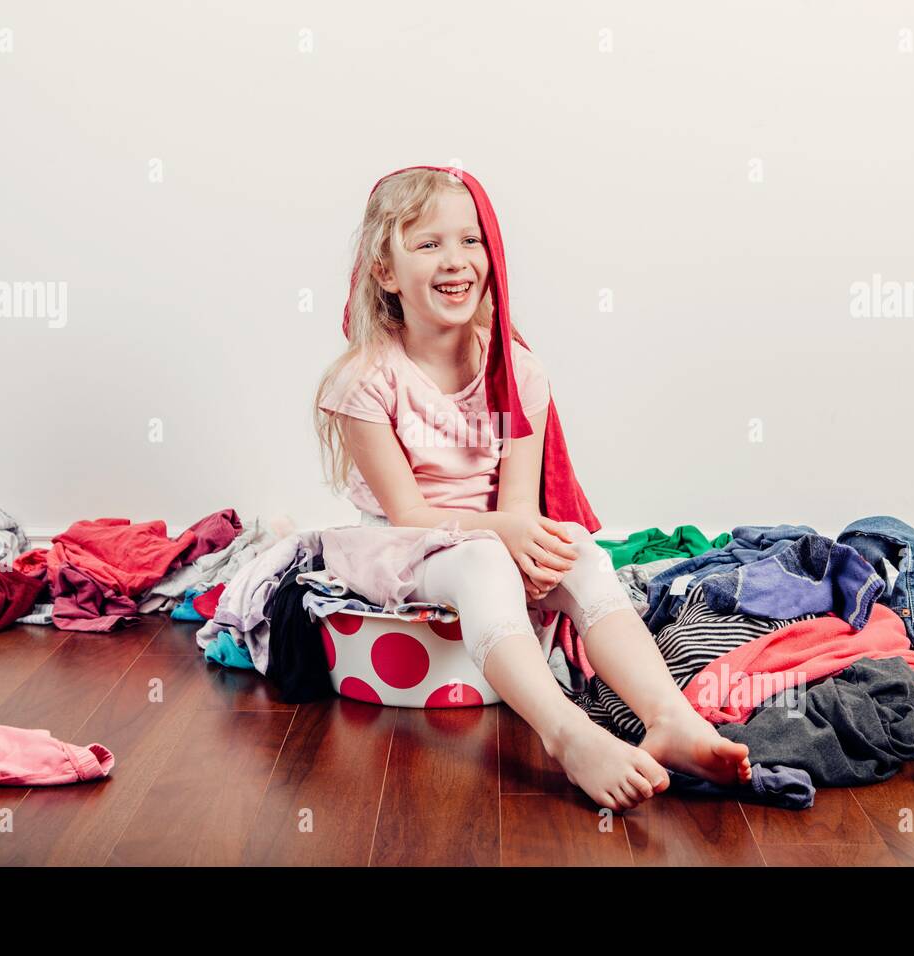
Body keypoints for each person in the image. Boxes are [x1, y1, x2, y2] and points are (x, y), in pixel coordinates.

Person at [313, 166, 750, 811]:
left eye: (471, 240)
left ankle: (669, 717)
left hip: (492, 537)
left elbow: (518, 506)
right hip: (404, 550)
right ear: (384, 271)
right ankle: (568, 734)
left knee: (580, 551)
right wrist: (505, 538)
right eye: (429, 244)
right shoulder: (365, 380)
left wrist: (534, 544)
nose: (456, 261)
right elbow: (407, 514)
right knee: (486, 558)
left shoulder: (517, 369)